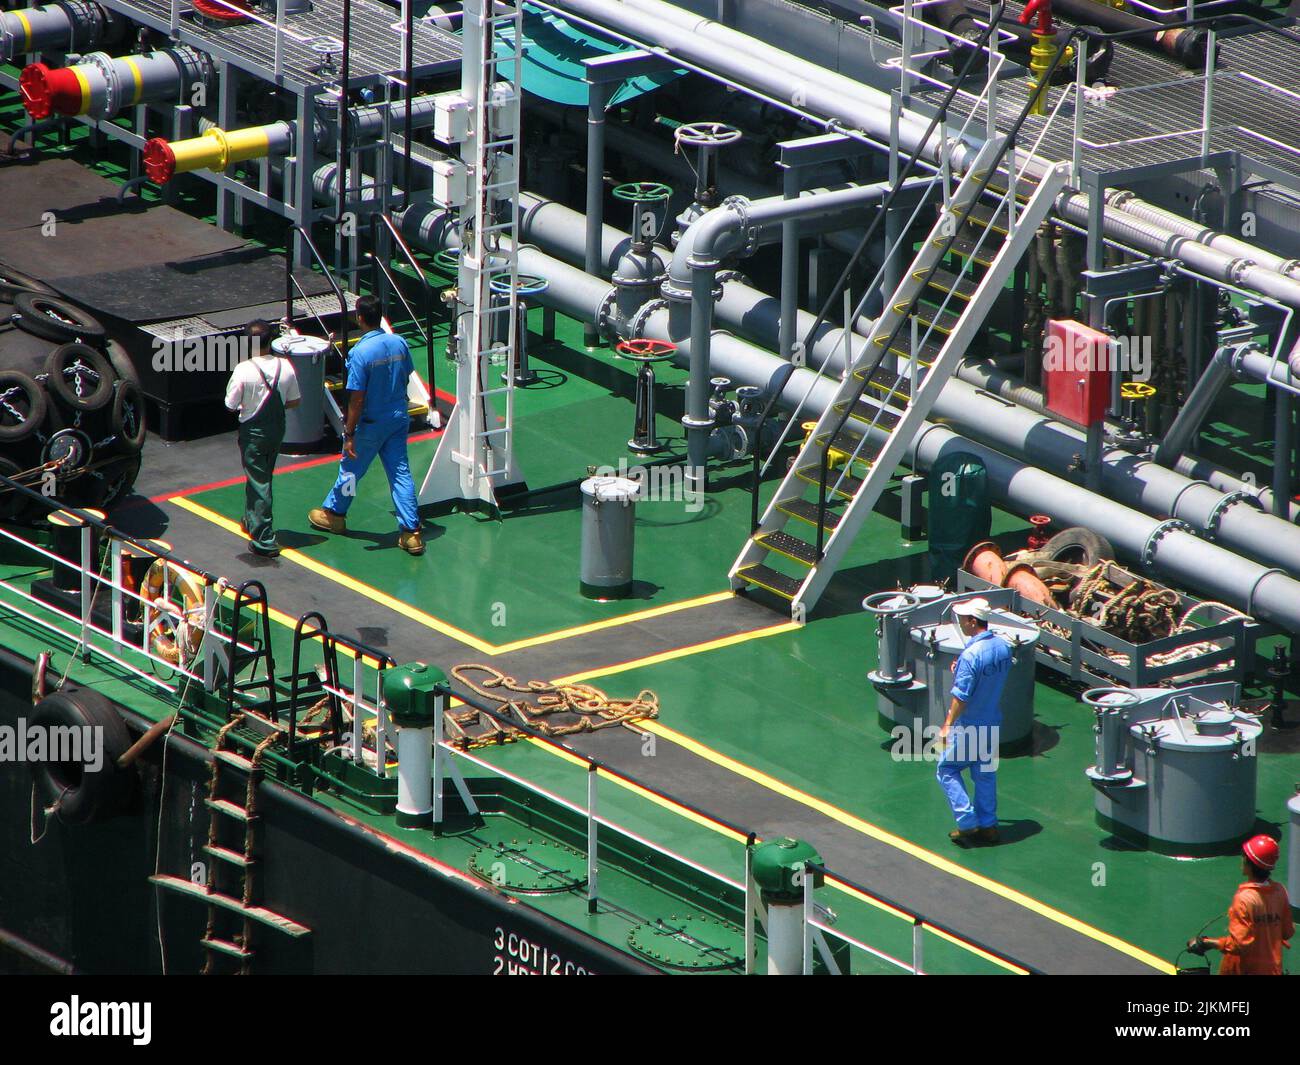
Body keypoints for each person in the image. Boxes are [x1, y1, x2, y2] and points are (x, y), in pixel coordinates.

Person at [308, 295, 424, 555]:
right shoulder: (399, 342)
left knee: (350, 471)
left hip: (371, 424)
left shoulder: (360, 352)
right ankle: (411, 533)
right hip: (397, 418)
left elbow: (356, 398)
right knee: (400, 473)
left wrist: (349, 433)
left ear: (359, 318)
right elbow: (405, 375)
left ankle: (336, 514)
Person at [935, 597, 1011, 846]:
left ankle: (967, 822)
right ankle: (988, 826)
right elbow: (989, 678)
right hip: (992, 721)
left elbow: (961, 696)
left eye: (962, 619)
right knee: (984, 773)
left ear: (972, 621)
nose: (960, 623)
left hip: (970, 727)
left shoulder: (970, 655)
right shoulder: (1002, 647)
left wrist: (947, 725)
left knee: (946, 769)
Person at [224, 320, 300, 557]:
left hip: (253, 433)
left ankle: (264, 538)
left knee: (259, 482)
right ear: (271, 340)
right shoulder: (286, 366)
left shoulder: (243, 370)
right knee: (261, 476)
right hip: (276, 430)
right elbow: (295, 401)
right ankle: (251, 519)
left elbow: (230, 404)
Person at [1187, 835, 1293, 975]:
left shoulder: (1244, 899)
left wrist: (1206, 943)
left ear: (1249, 862)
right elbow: (1287, 932)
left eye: (1243, 856)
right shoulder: (1280, 891)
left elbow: (1239, 945)